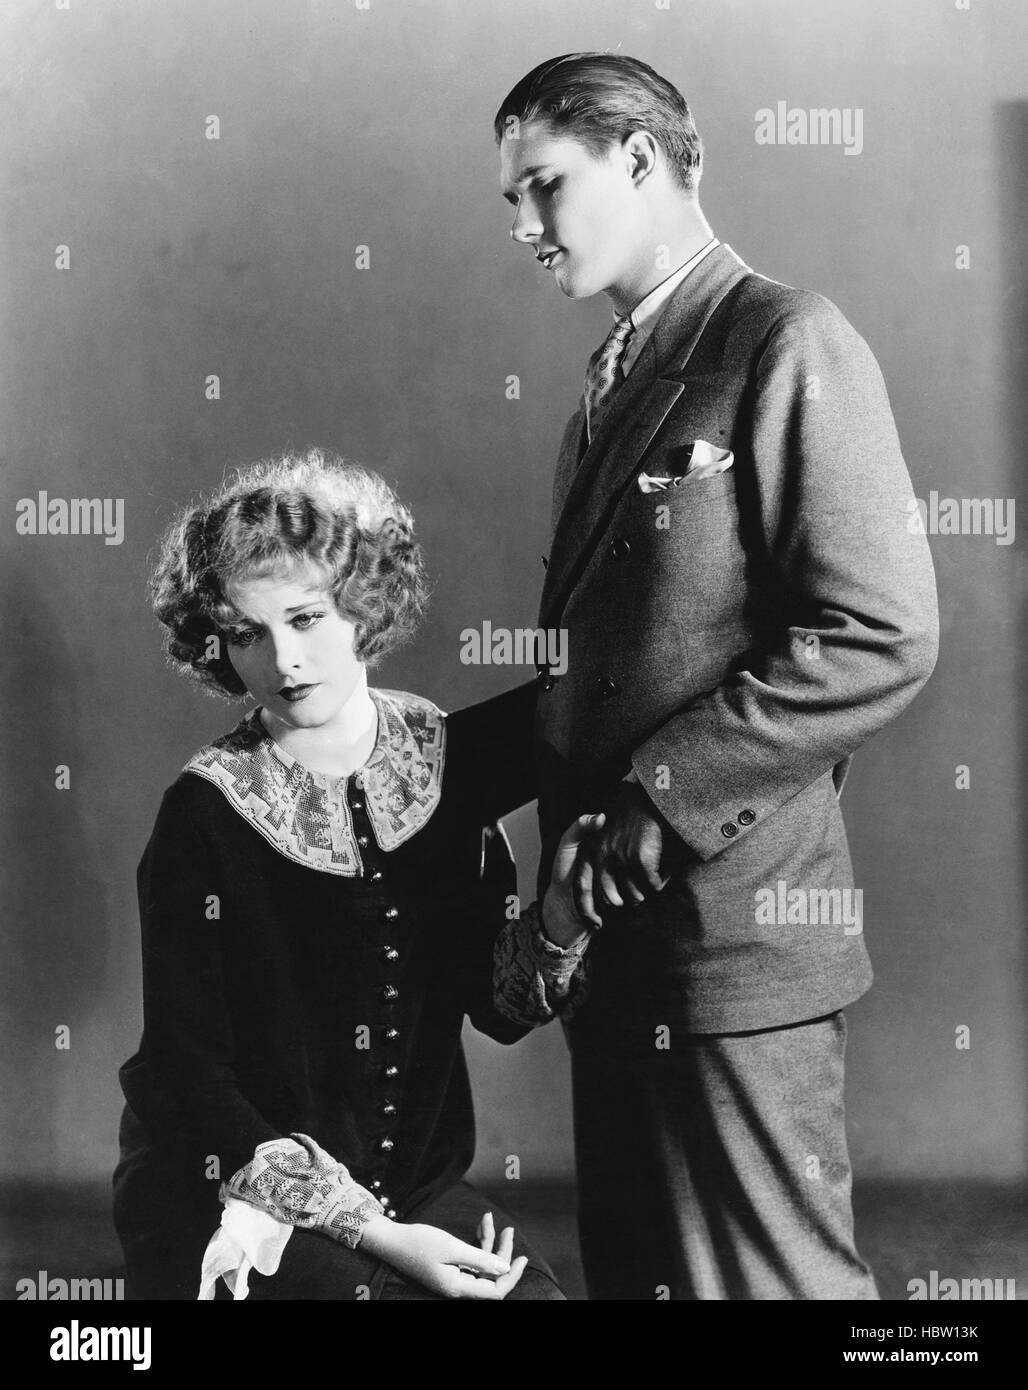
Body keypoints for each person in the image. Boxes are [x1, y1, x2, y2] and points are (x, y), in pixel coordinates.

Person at [492, 52, 939, 1300]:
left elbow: (877, 631)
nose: (525, 228)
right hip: (612, 951)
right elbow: (607, 671)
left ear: (638, 159)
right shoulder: (606, 390)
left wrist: (650, 805)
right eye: (511, 203)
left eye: (544, 187)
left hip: (735, 945)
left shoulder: (790, 339)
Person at [113, 448, 580, 1301]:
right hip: (238, 1199)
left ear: (363, 606)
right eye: (248, 634)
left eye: (307, 618)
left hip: (419, 1192)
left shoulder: (447, 756)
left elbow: (498, 1009)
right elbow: (189, 1079)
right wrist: (383, 1239)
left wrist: (559, 916)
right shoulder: (204, 814)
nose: (283, 660)